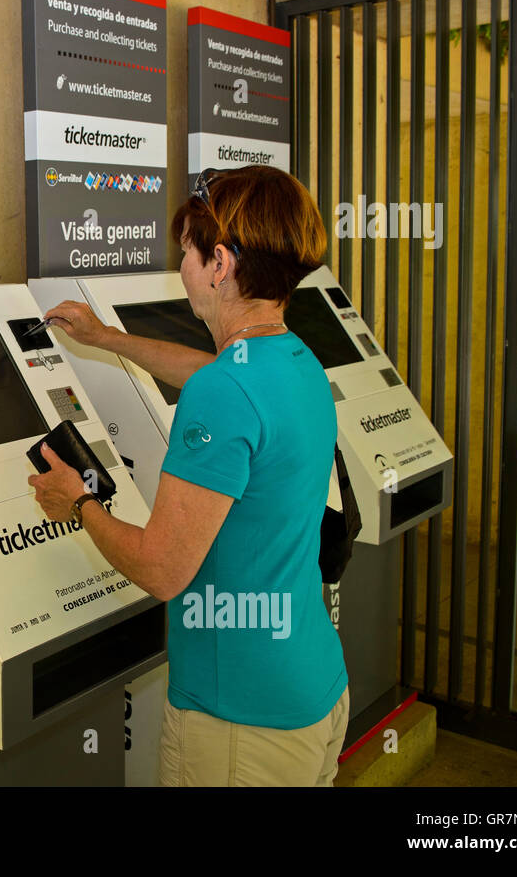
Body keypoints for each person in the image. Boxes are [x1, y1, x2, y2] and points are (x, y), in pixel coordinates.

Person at [30, 165, 349, 786]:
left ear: (220, 264)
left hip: (239, 723)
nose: (183, 269)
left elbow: (161, 568)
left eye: (188, 254)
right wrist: (106, 338)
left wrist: (78, 502)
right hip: (312, 688)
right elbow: (212, 375)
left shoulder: (226, 393)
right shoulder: (292, 359)